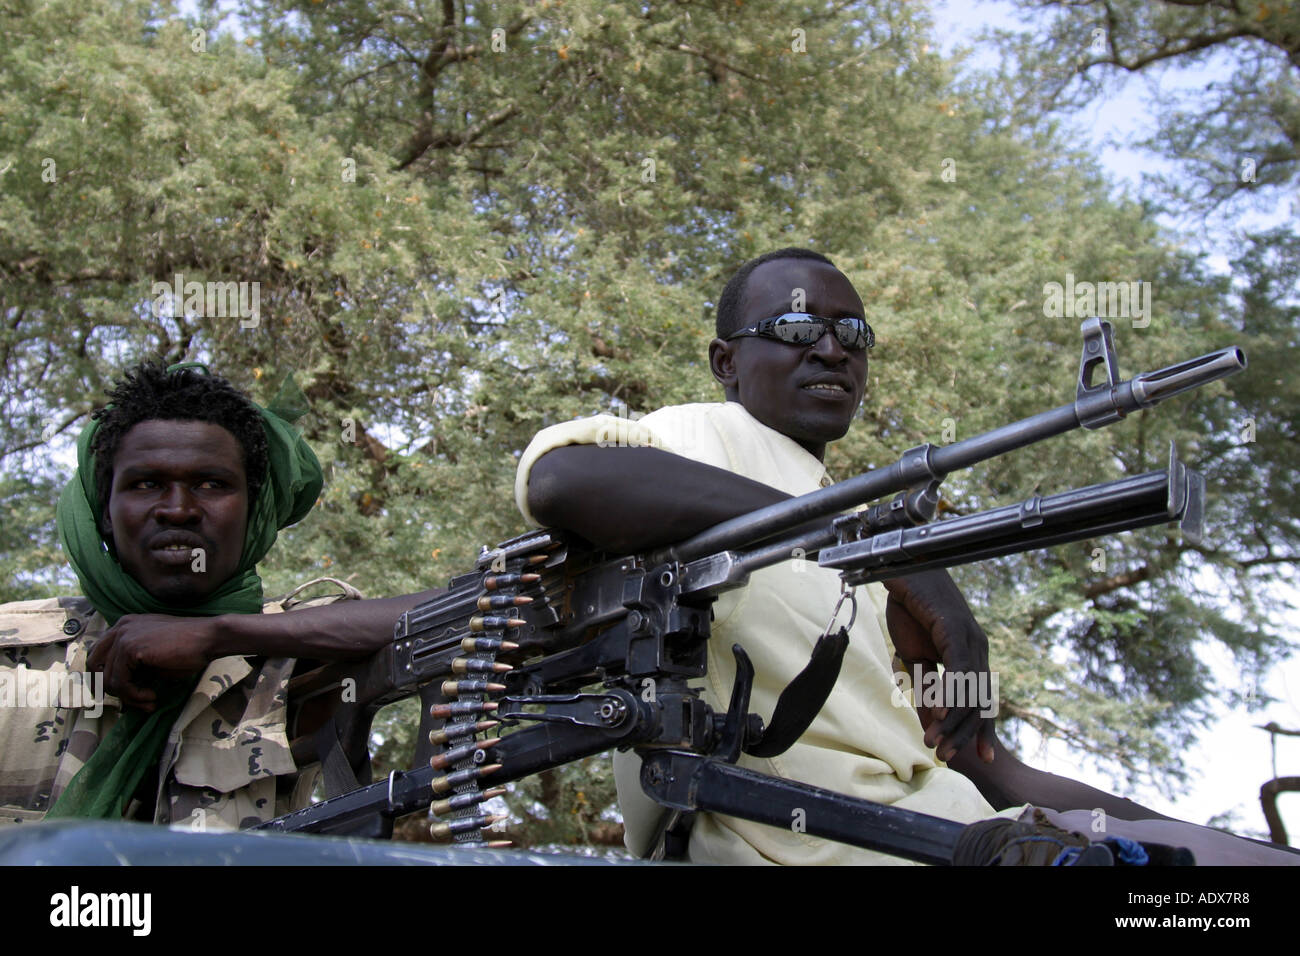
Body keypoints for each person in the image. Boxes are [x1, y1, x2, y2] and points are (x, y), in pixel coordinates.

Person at [515, 247, 1299, 865]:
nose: (831, 350)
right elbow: (565, 478)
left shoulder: (855, 536)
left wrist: (1230, 850)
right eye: (795, 329)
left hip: (955, 832)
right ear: (726, 363)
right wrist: (871, 547)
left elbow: (988, 770)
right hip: (816, 846)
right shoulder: (699, 438)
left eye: (852, 334)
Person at [0, 362, 431, 829]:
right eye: (146, 484)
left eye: (212, 484)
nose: (178, 509)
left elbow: (490, 607)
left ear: (254, 514)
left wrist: (216, 634)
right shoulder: (15, 651)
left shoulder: (292, 651)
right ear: (104, 512)